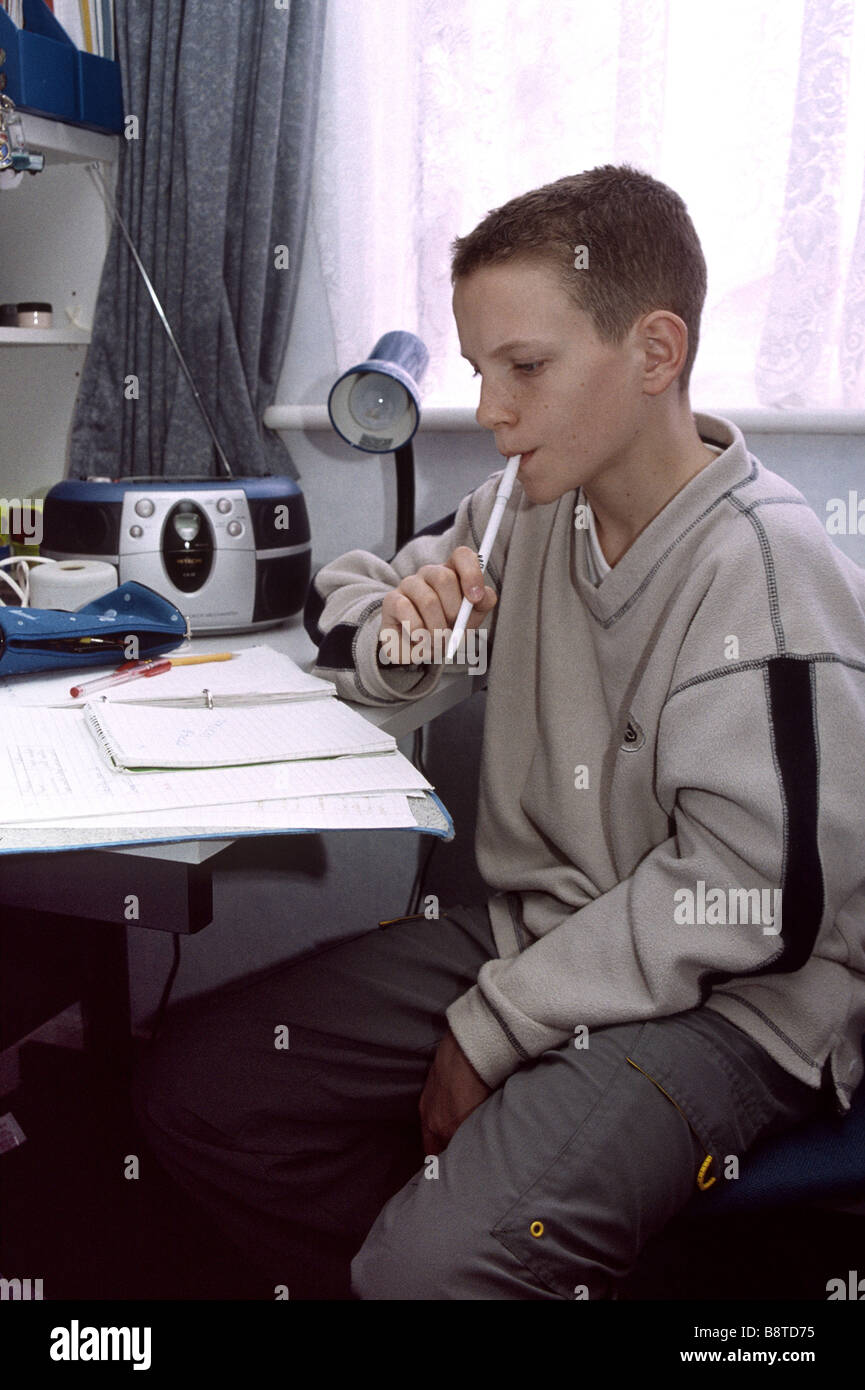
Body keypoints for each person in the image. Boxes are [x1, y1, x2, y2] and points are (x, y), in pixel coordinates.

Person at [135, 165, 865, 1301]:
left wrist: (495, 1025)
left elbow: (758, 901)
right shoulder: (524, 504)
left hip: (734, 1001)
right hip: (537, 929)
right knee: (198, 1095)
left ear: (656, 352)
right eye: (479, 371)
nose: (487, 409)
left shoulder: (763, 570)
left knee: (435, 1265)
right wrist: (406, 640)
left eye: (524, 367)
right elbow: (365, 604)